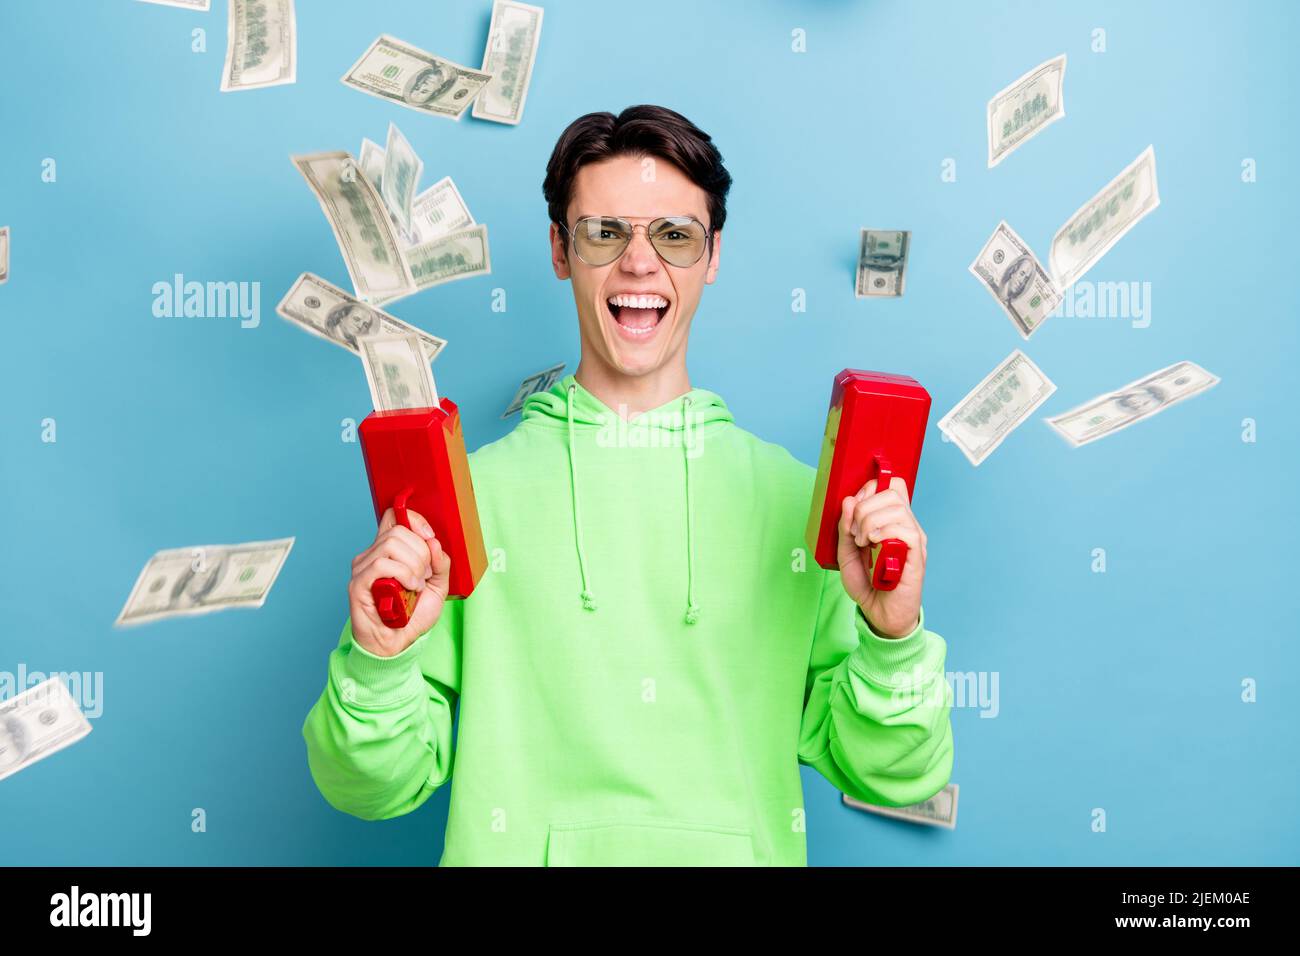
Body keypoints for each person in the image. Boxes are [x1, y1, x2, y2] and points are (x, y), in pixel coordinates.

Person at [303, 105, 954, 866]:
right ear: (559, 249)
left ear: (713, 257)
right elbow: (368, 789)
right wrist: (377, 658)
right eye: (605, 233)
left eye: (674, 236)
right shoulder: (464, 499)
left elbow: (895, 772)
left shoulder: (806, 508)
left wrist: (892, 638)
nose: (640, 264)